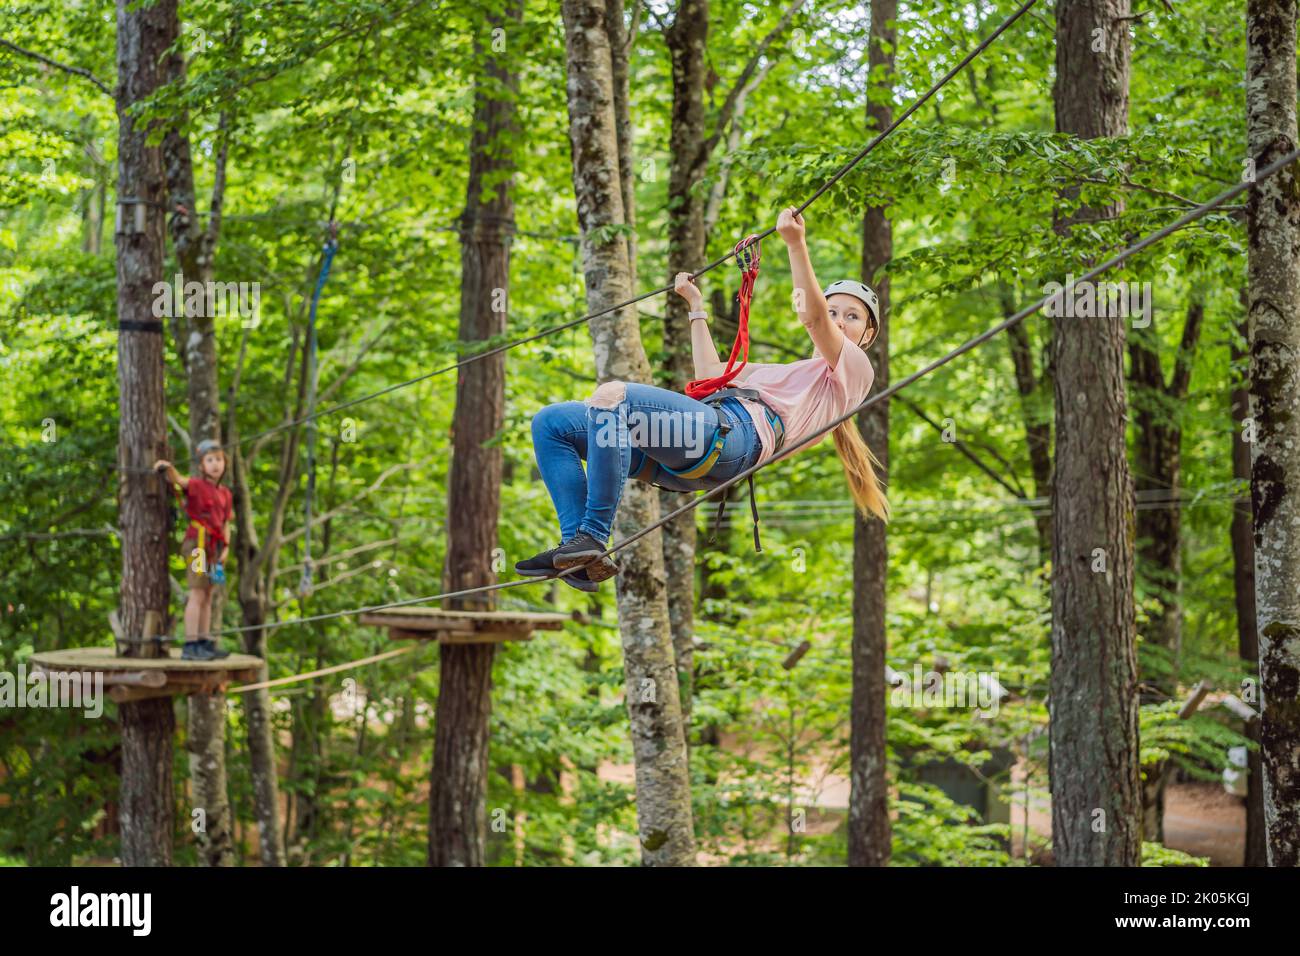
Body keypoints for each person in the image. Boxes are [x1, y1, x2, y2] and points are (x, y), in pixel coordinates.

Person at [517, 207, 888, 589]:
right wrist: (696, 307)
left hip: (732, 439)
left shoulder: (855, 371)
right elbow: (710, 376)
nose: (840, 321)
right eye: (834, 311)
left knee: (613, 397)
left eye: (853, 316)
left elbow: (813, 319)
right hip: (692, 448)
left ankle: (593, 537)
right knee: (552, 423)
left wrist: (796, 244)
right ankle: (576, 552)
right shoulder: (780, 374)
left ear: (867, 336)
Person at [154, 439, 233, 660]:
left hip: (215, 549)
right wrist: (168, 467)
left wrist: (225, 549)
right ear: (202, 465)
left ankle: (204, 641)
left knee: (208, 593)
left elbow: (226, 523)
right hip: (198, 546)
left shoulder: (226, 493)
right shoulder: (197, 485)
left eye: (218, 459)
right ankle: (190, 645)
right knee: (197, 592)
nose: (215, 464)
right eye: (210, 460)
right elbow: (178, 480)